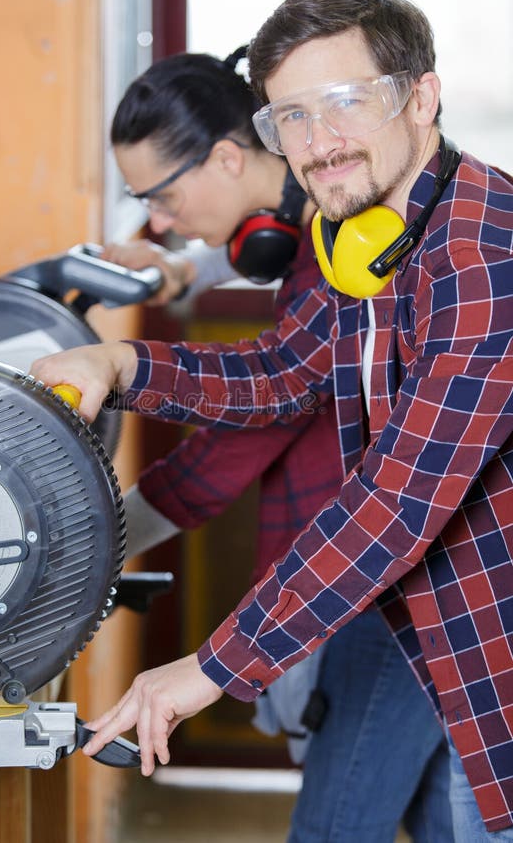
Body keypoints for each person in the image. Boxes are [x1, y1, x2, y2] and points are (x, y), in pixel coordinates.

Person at [30, 0, 513, 839]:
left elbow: (394, 508)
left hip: (489, 645)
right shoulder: (368, 236)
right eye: (291, 117)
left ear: (421, 97)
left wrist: (209, 669)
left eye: (345, 104)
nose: (318, 144)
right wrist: (122, 362)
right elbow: (285, 371)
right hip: (434, 631)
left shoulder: (480, 258)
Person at [105, 51, 452, 843]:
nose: (157, 219)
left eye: (161, 196)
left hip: (393, 588)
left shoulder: (353, 250)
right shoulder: (314, 239)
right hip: (391, 582)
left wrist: (103, 534)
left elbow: (260, 411)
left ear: (230, 156)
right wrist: (176, 272)